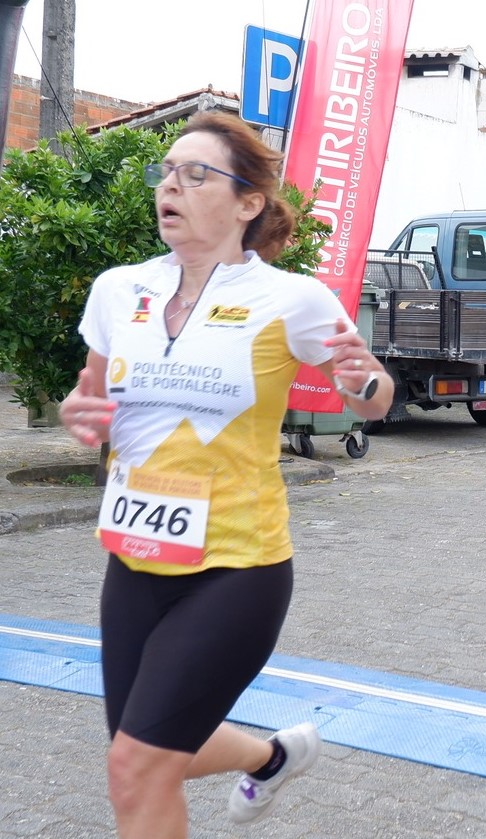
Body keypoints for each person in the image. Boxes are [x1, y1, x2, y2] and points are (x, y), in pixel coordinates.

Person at [58, 112, 395, 837]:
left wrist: (363, 382)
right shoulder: (119, 289)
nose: (170, 184)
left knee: (136, 765)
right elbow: (93, 391)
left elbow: (371, 396)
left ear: (247, 204)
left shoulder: (291, 298)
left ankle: (270, 758)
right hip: (135, 560)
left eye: (195, 173)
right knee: (145, 752)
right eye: (166, 171)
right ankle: (273, 757)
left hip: (237, 567)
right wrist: (83, 411)